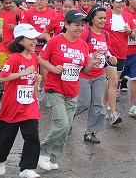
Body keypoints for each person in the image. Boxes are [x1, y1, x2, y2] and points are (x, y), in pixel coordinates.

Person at [37, 9, 101, 171]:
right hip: (54, 89)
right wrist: (53, 68)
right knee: (62, 124)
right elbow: (40, 58)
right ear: (66, 24)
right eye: (76, 25)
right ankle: (43, 152)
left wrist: (92, 63)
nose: (80, 28)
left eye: (82, 25)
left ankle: (53, 157)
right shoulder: (55, 41)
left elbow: (84, 70)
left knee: (65, 128)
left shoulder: (83, 45)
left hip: (72, 92)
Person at [0, 23, 43, 178]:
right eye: (30, 39)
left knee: (32, 135)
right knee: (6, 135)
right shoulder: (14, 58)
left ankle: (27, 168)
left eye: (35, 38)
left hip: (29, 104)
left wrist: (36, 81)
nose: (34, 41)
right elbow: (3, 77)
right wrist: (22, 73)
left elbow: (32, 81)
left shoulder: (34, 58)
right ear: (20, 41)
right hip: (12, 103)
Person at [76, 6, 114, 144]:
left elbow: (106, 50)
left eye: (105, 18)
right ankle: (65, 119)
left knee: (97, 103)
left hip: (99, 74)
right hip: (84, 74)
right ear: (92, 19)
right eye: (100, 18)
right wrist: (90, 58)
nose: (103, 20)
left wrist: (110, 57)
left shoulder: (105, 34)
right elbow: (78, 49)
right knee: (84, 103)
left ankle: (90, 132)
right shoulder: (86, 33)